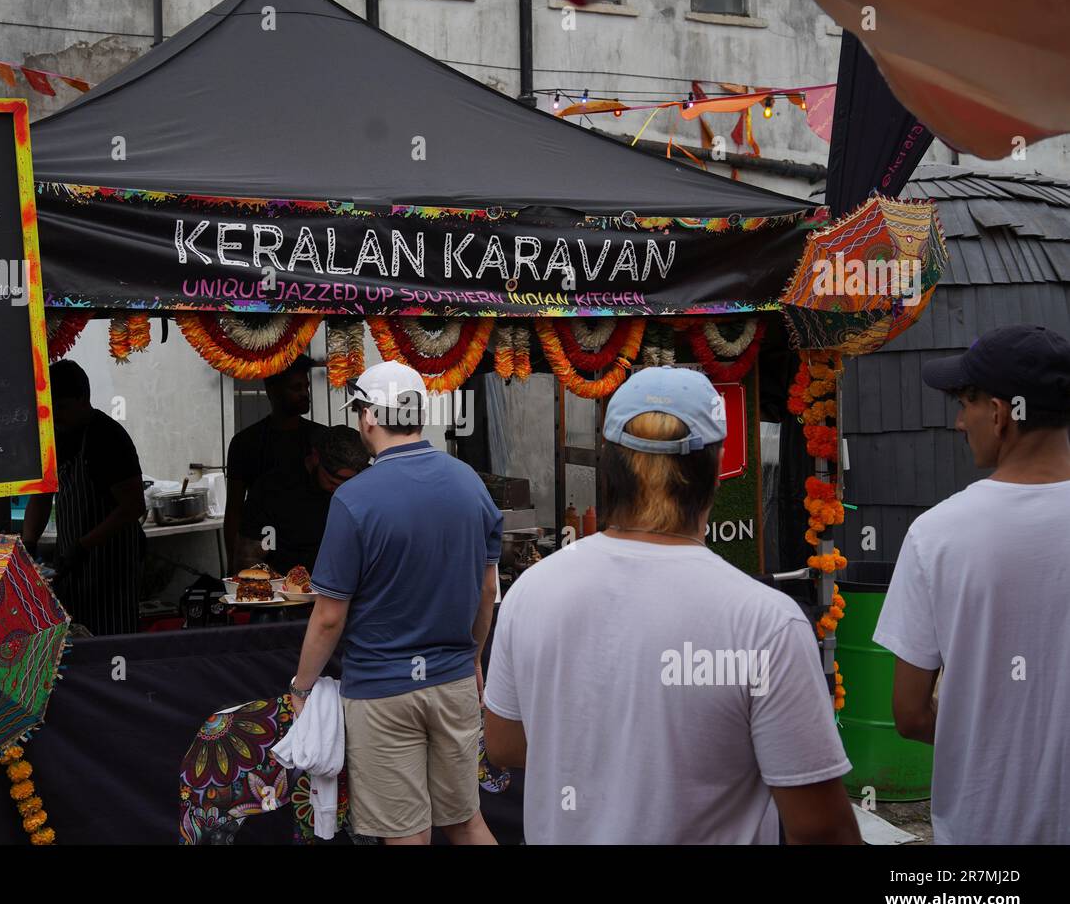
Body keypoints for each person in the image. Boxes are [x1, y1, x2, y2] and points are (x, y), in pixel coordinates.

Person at [484, 366, 861, 844]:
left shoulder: (532, 591)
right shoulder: (764, 621)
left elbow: (505, 743)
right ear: (717, 467)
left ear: (610, 464)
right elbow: (821, 828)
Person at [288, 361, 503, 845]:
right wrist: (472, 656)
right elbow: (487, 590)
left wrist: (301, 689)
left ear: (367, 417)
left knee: (406, 834)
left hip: (382, 690)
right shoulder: (470, 482)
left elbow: (328, 616)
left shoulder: (353, 498)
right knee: (466, 821)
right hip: (452, 682)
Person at [875, 324, 1070, 844]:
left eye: (966, 401)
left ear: (1002, 414)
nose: (960, 421)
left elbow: (911, 715)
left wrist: (985, 739)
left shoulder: (936, 535)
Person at [23, 359, 147, 636]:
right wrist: (28, 543)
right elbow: (42, 496)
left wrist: (84, 546)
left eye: (63, 408)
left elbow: (133, 506)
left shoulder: (108, 438)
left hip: (113, 562)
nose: (56, 416)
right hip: (73, 561)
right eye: (51, 409)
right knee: (76, 636)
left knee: (110, 639)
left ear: (83, 398)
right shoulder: (54, 438)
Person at [223, 355, 324, 563]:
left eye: (306, 386)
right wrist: (233, 563)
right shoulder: (246, 443)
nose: (305, 393)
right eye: (295, 388)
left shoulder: (321, 439)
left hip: (317, 552)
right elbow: (234, 508)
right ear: (272, 390)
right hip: (265, 555)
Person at [232, 425, 371, 575]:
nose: (339, 490)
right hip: (288, 592)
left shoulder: (369, 484)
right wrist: (287, 588)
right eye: (332, 483)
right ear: (315, 457)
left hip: (350, 588)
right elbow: (248, 560)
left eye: (348, 484)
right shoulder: (274, 490)